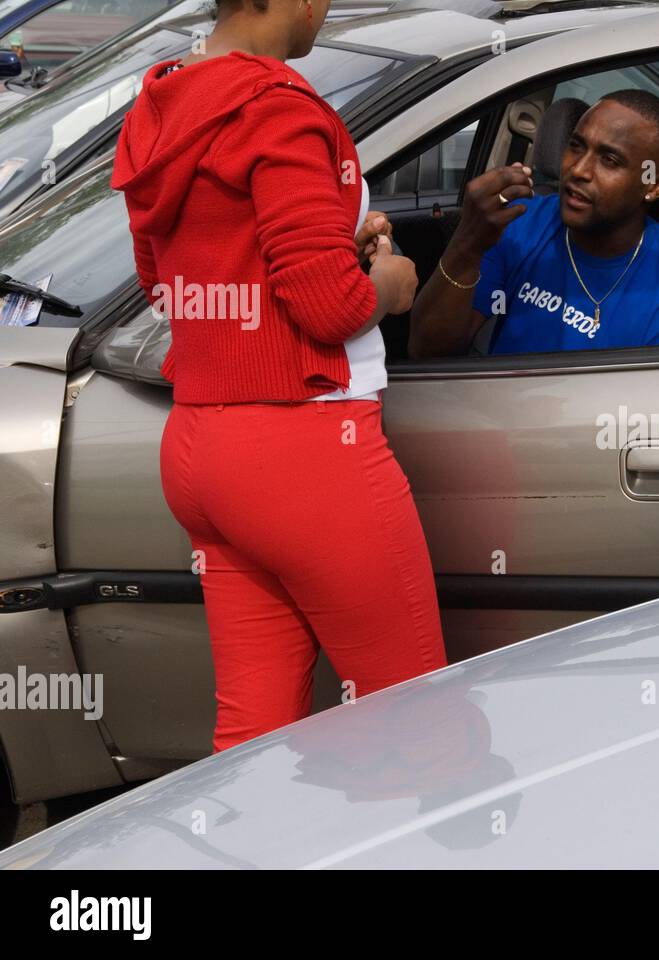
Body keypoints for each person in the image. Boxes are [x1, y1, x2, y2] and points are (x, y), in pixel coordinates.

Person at [111, 0, 447, 752]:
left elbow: (166, 281)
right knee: (418, 724)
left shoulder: (159, 103)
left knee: (254, 736)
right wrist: (391, 280)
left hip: (201, 444)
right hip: (305, 444)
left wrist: (328, 245)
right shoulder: (278, 108)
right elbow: (330, 310)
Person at [408, 89, 659, 358]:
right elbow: (428, 351)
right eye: (576, 147)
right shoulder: (522, 220)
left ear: (654, 185)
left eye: (610, 160)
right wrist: (468, 242)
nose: (578, 170)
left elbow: (645, 398)